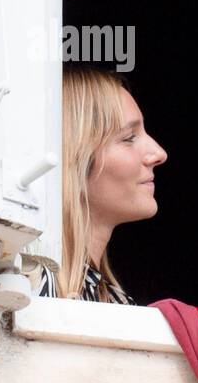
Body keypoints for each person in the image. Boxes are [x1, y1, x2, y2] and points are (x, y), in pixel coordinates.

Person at [28, 65, 168, 303]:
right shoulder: (27, 289)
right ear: (73, 159)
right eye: (129, 138)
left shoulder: (116, 301)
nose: (159, 153)